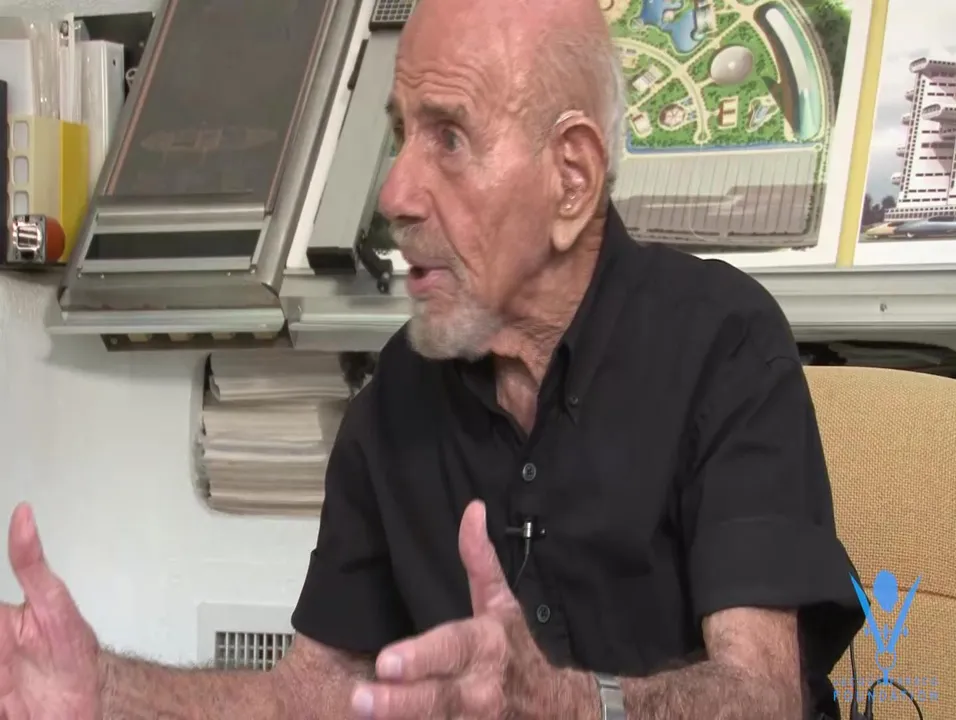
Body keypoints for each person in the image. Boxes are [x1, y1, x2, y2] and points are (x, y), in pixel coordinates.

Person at [0, 0, 864, 717]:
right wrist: (104, 690)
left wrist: (568, 704)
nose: (394, 193)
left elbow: (762, 696)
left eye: (448, 138)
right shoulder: (395, 399)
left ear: (571, 179)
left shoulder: (723, 340)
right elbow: (316, 695)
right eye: (401, 134)